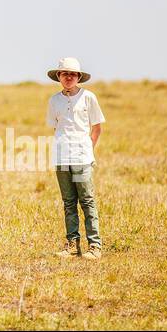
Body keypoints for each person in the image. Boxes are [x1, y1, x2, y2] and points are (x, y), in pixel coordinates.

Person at [46, 57, 105, 259]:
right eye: (64, 74)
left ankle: (95, 246)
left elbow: (96, 127)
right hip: (62, 158)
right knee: (68, 201)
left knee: (86, 200)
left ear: (78, 77)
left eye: (72, 74)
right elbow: (56, 127)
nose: (68, 77)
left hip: (81, 158)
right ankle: (72, 245)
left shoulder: (89, 97)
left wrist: (88, 150)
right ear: (59, 77)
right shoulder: (54, 100)